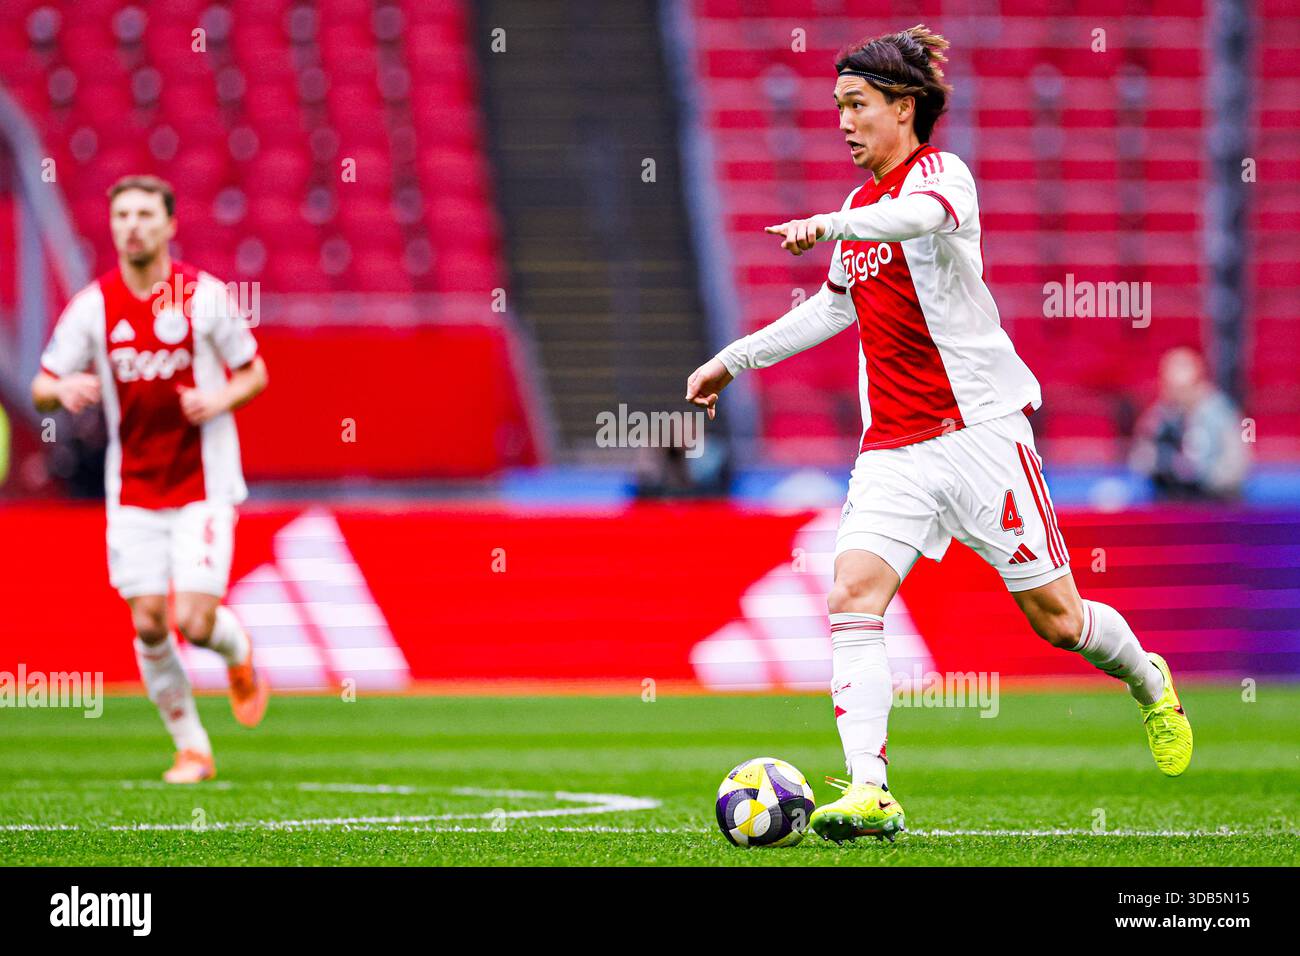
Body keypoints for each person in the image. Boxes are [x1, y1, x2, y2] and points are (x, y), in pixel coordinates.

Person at [685, 26, 1192, 844]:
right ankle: (872, 788)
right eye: (837, 108)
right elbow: (834, 307)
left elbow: (914, 221)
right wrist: (731, 361)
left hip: (980, 436)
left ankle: (1148, 679)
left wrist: (830, 225)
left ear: (903, 106)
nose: (844, 122)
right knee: (851, 597)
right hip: (893, 447)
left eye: (857, 106)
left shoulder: (941, 180)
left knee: (1058, 622)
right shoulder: (856, 211)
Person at [31, 175, 271, 784]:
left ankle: (239, 656)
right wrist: (63, 388)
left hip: (203, 485)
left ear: (169, 225)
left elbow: (255, 373)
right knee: (147, 621)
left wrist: (217, 400)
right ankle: (192, 747)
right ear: (111, 227)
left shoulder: (206, 297)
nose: (132, 225)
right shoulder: (94, 306)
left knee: (193, 620)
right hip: (133, 489)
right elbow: (40, 387)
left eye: (144, 214)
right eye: (122, 215)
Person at [1131, 346, 1248, 500]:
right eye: (1170, 387)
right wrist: (1162, 465)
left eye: (1183, 389)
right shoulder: (1158, 416)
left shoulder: (1221, 414)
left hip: (1215, 505)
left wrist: (1200, 477)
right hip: (1171, 502)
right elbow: (1139, 460)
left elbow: (1238, 465)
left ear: (1199, 381)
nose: (1176, 395)